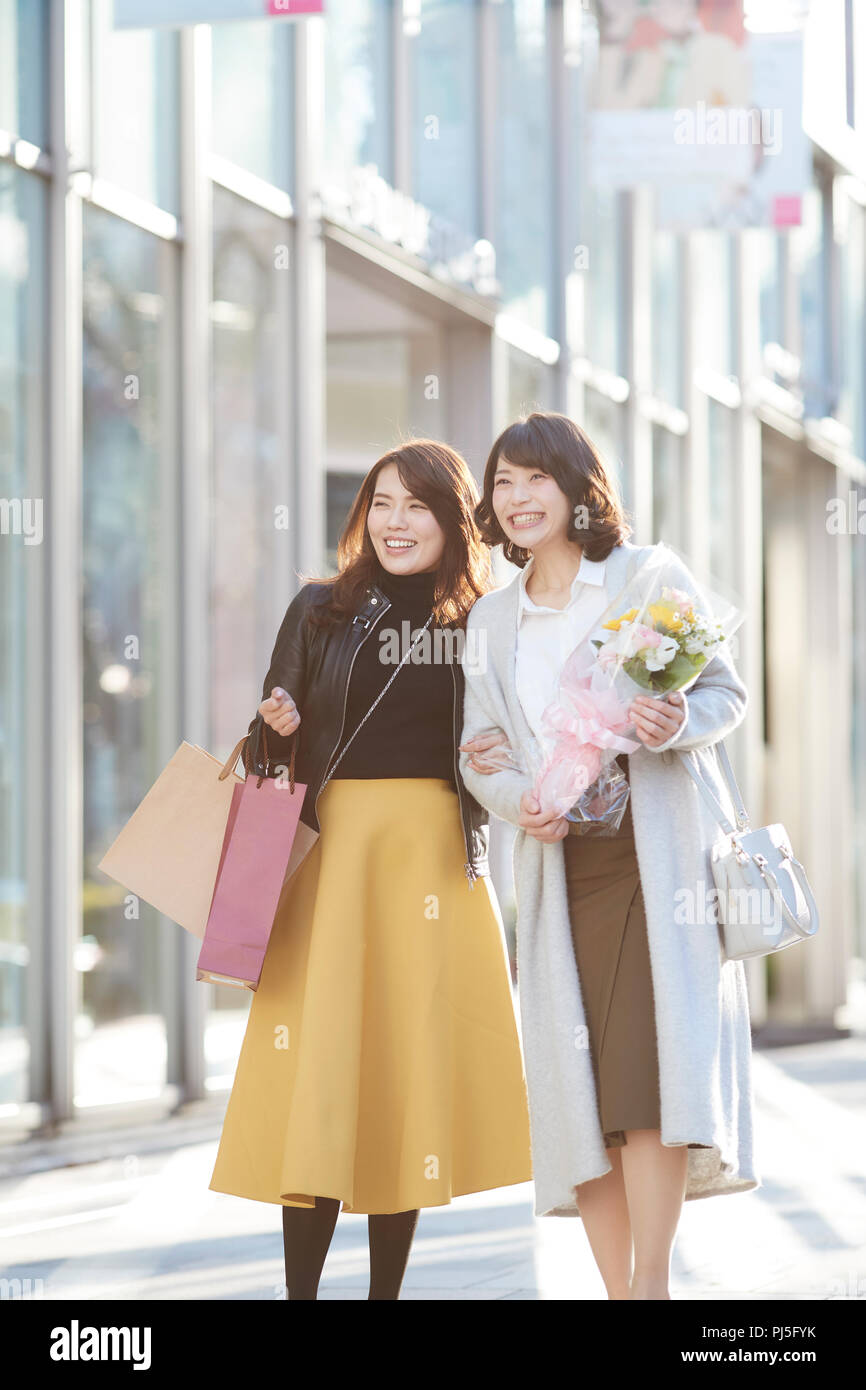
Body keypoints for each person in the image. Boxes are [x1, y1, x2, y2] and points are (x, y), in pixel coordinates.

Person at [208, 439, 532, 1300]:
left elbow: (501, 738)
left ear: (453, 521)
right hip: (334, 858)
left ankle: (384, 1296)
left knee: (406, 1068)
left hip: (429, 858)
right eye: (381, 503)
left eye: (417, 506)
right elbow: (270, 747)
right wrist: (273, 724)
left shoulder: (482, 624)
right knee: (320, 1065)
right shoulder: (319, 609)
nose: (395, 522)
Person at [458, 411, 758, 1301]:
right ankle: (619, 1296)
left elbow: (723, 693)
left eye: (533, 480)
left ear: (576, 486)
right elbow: (481, 751)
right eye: (502, 484)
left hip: (652, 863)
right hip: (561, 870)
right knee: (576, 1095)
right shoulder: (490, 619)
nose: (516, 499)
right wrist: (525, 802)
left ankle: (653, 1285)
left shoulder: (644, 576)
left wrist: (675, 721)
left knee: (643, 1079)